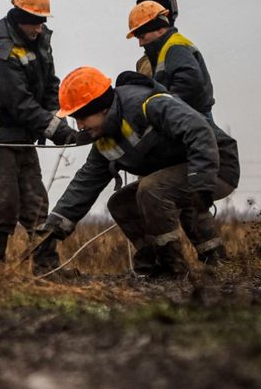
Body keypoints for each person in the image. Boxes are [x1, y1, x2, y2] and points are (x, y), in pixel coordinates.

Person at [34, 67, 239, 277]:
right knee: (121, 203)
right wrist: (53, 229)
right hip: (182, 172)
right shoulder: (104, 140)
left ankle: (173, 269)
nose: (79, 126)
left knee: (152, 189)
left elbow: (199, 132)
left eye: (82, 117)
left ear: (101, 108)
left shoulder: (148, 105)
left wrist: (201, 183)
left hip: (217, 166)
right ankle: (155, 265)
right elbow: (84, 185)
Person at [0, 0, 80, 264]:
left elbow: (50, 84)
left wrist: (56, 116)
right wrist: (56, 130)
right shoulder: (2, 50)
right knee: (3, 202)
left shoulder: (40, 41)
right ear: (21, 19)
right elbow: (19, 102)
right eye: (35, 22)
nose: (40, 28)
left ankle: (46, 267)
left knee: (36, 202)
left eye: (43, 22)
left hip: (23, 133)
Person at [127, 0, 225, 263]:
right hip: (181, 132)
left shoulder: (175, 48)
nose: (140, 42)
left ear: (158, 28)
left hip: (191, 130)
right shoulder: (160, 52)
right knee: (184, 199)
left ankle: (206, 261)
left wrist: (163, 112)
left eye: (142, 35)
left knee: (188, 199)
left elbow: (189, 86)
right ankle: (212, 260)